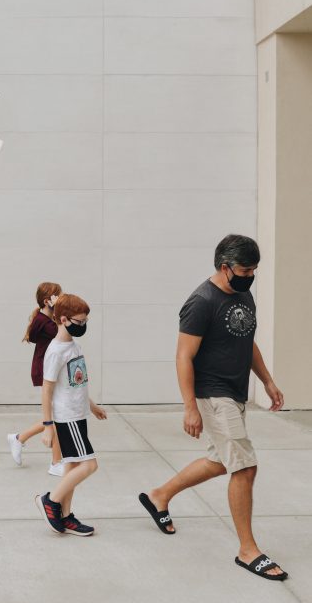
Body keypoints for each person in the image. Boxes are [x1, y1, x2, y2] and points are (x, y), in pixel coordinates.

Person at [138, 234, 288, 581]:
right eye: (245, 269)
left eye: (254, 270)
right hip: (212, 394)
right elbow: (183, 356)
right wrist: (190, 407)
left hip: (234, 393)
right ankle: (248, 550)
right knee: (245, 468)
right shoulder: (202, 301)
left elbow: (246, 341)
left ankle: (159, 495)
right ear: (225, 267)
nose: (250, 275)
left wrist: (266, 380)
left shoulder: (244, 295)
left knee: (220, 462)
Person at [35, 293, 108, 536]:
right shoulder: (56, 351)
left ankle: (66, 517)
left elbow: (76, 383)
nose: (83, 326)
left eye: (86, 321)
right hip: (67, 417)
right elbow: (47, 390)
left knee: (72, 466)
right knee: (90, 465)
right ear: (64, 319)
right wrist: (47, 425)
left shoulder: (73, 346)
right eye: (79, 322)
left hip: (79, 414)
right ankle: (51, 501)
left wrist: (92, 405)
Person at [7, 282, 65, 476]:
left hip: (51, 369)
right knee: (56, 418)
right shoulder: (45, 322)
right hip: (45, 370)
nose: (61, 299)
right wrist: (59, 311)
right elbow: (63, 333)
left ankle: (19, 438)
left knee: (56, 416)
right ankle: (56, 463)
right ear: (47, 301)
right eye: (57, 296)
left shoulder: (46, 319)